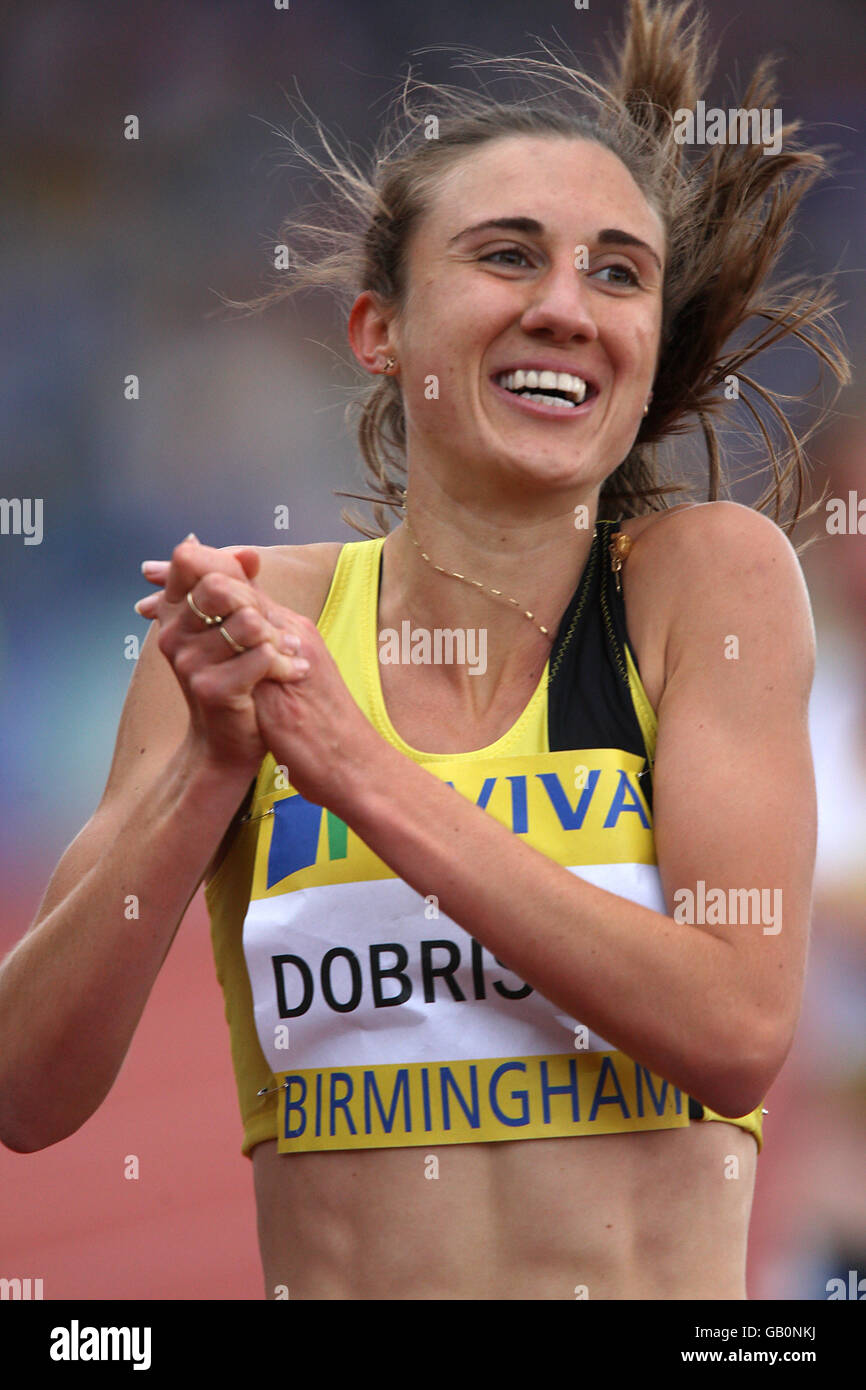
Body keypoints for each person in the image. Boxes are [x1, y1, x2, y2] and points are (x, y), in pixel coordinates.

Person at [0, 0, 850, 1299]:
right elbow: (27, 1090)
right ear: (378, 332)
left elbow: (732, 1031)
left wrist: (362, 773)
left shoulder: (703, 580)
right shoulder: (245, 619)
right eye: (507, 256)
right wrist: (206, 778)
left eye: (617, 272)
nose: (568, 305)